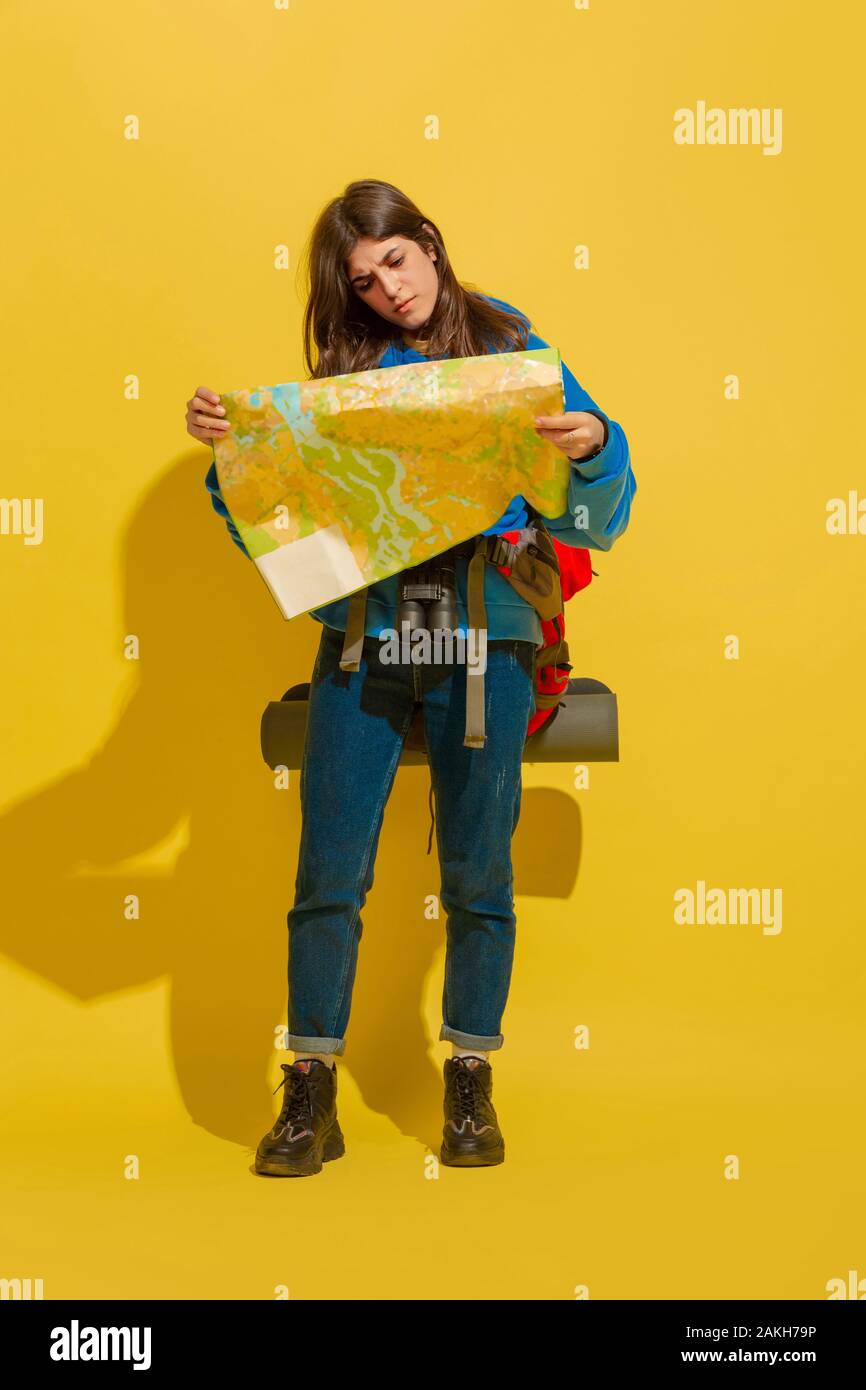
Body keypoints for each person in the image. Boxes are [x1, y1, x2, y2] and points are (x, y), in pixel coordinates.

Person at [185, 179, 637, 1177]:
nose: (386, 288)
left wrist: (594, 447)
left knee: (479, 873)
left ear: (427, 244)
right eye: (362, 279)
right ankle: (310, 1085)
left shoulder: (517, 357)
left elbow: (600, 512)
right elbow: (283, 533)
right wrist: (232, 461)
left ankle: (468, 1072)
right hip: (365, 640)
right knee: (327, 874)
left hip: (488, 638)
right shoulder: (343, 382)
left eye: (395, 260)